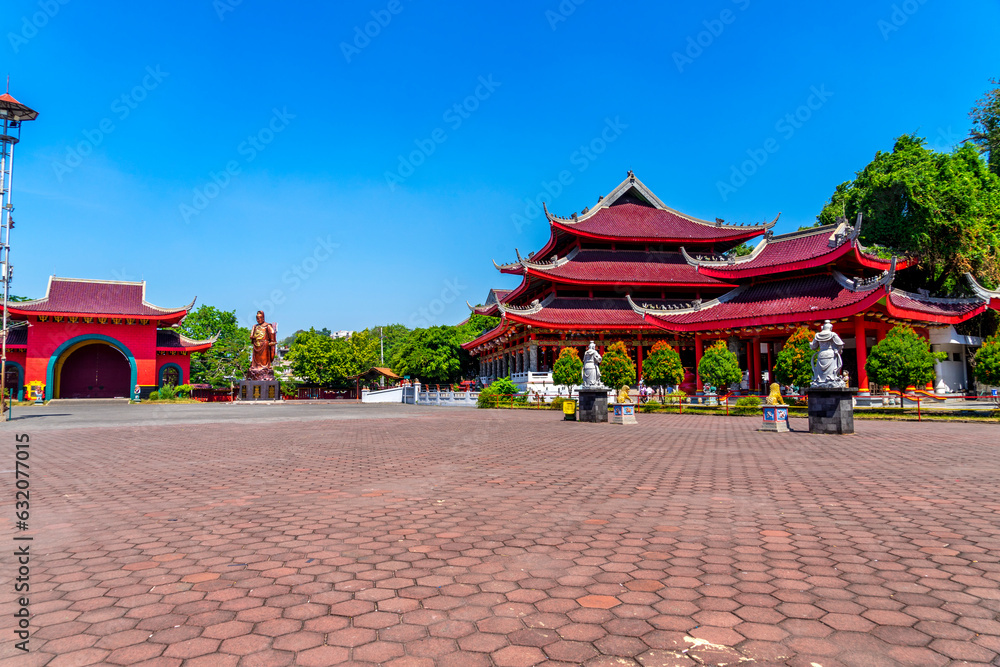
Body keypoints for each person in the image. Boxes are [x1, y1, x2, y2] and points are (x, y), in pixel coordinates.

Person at [249, 310, 278, 381]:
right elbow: (252, 335)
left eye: (260, 318)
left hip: (264, 344)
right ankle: (255, 367)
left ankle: (264, 368)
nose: (258, 320)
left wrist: (272, 341)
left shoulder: (267, 326)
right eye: (257, 319)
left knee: (264, 359)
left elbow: (272, 332)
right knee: (256, 359)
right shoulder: (255, 326)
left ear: (263, 318)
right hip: (256, 344)